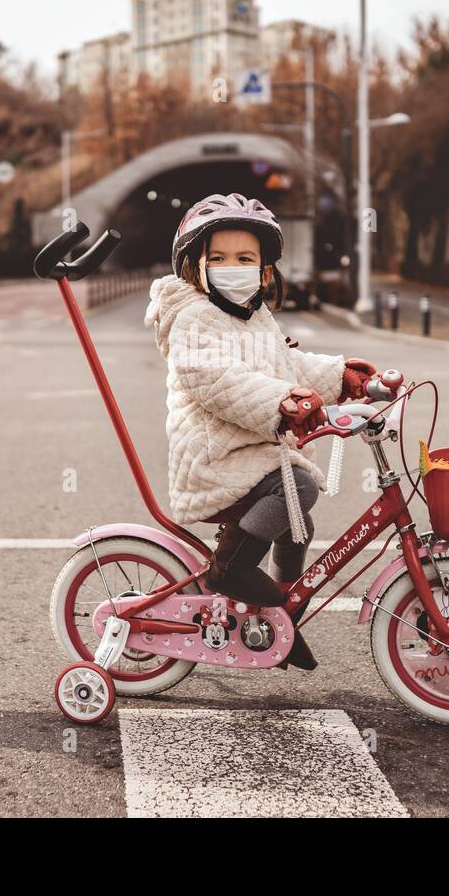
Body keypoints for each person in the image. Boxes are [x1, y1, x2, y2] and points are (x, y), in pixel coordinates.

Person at [144, 193, 377, 671]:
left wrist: (344, 379)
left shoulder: (255, 318)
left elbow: (286, 365)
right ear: (196, 267)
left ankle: (279, 615)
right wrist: (282, 403)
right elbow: (216, 379)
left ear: (265, 270)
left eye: (245, 258)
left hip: (248, 451)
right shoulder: (194, 319)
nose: (233, 268)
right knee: (299, 487)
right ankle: (228, 571)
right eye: (219, 258)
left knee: (298, 525)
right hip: (215, 457)